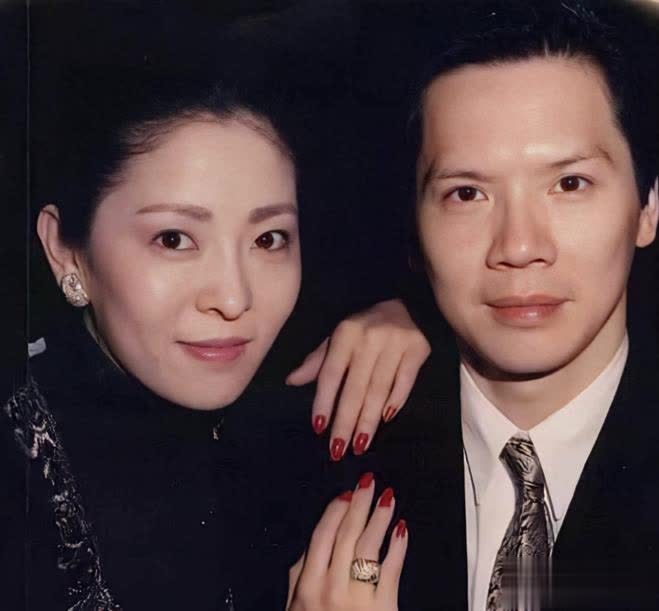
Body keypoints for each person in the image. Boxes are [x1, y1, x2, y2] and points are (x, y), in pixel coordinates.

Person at [0, 69, 428, 610]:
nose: (233, 298)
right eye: (174, 239)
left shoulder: (313, 413)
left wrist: (430, 325)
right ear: (65, 252)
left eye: (268, 239)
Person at [360, 1, 659, 610]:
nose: (519, 247)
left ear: (647, 208)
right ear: (414, 228)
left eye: (569, 184)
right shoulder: (304, 465)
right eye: (467, 193)